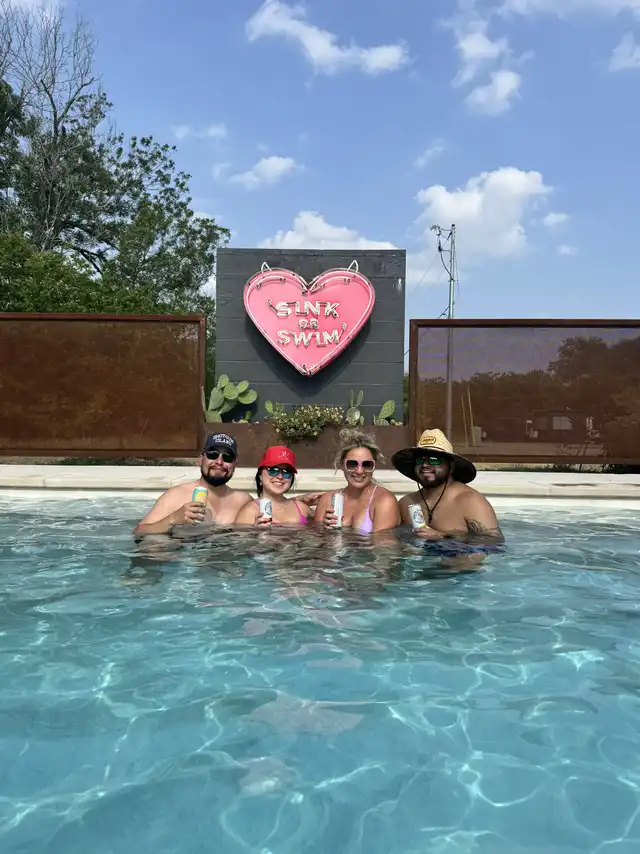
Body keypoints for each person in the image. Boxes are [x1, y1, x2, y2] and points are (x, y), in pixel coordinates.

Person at [392, 428, 503, 543]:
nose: (425, 465)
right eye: (420, 460)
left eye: (434, 459)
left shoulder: (471, 502)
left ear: (451, 467)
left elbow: (493, 543)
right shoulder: (406, 503)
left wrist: (442, 536)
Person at [133, 433, 253, 536]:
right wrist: (173, 519)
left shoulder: (243, 500)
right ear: (201, 459)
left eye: (227, 457)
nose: (219, 462)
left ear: (235, 464)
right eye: (213, 454)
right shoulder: (177, 495)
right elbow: (140, 531)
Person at [315, 429, 400, 534]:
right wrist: (324, 531)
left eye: (367, 465)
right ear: (342, 465)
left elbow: (382, 543)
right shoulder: (327, 500)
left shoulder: (384, 501)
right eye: (352, 464)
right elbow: (316, 541)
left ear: (374, 467)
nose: (359, 471)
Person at [234, 446, 312, 527]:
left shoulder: (302, 509)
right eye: (273, 470)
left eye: (286, 472)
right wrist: (255, 532)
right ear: (260, 476)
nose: (280, 476)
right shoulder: (250, 512)